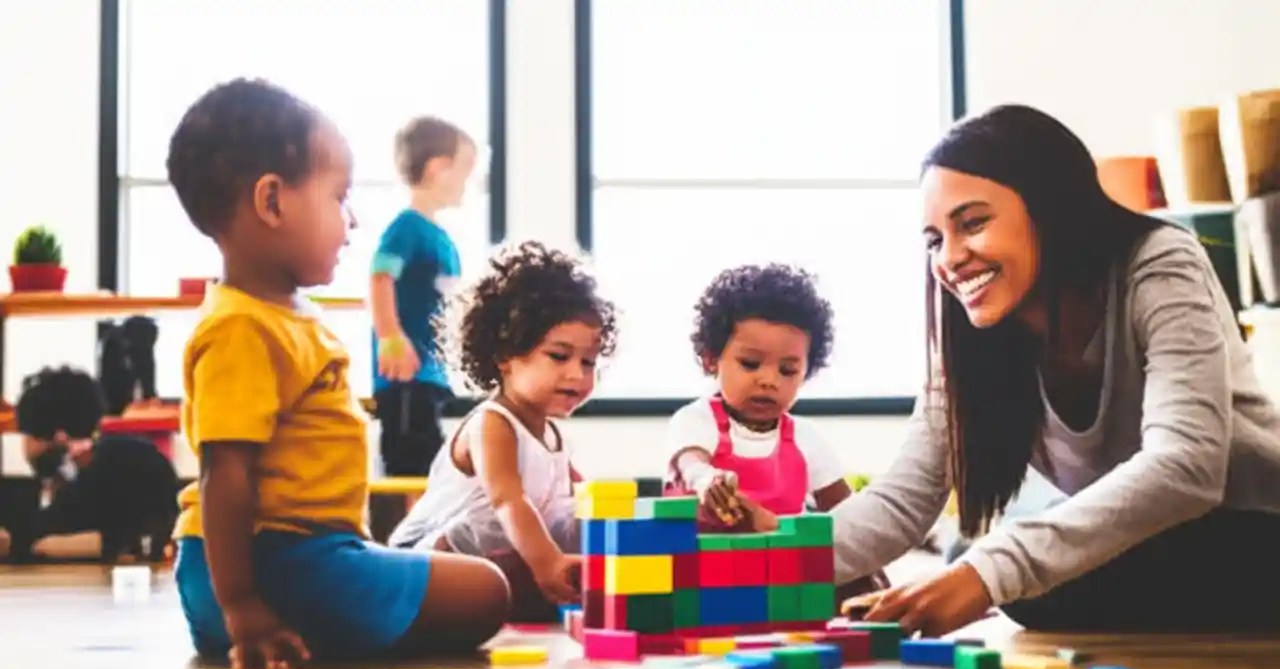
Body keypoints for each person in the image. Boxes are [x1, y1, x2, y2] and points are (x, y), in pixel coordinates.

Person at [831, 104, 1280, 635]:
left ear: (1047, 209)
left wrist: (990, 569)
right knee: (1025, 586)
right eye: (934, 240)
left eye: (972, 223)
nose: (949, 258)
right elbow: (902, 499)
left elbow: (1187, 466)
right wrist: (767, 558)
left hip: (1255, 534)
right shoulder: (974, 338)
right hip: (1152, 557)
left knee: (1009, 571)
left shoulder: (1159, 261)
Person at [165, 78, 509, 669]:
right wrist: (241, 604)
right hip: (272, 567)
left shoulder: (283, 316)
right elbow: (226, 471)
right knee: (488, 592)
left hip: (293, 559)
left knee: (465, 579)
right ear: (272, 202)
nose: (351, 222)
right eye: (338, 197)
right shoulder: (241, 327)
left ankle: (339, 608)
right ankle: (311, 621)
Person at [388, 240, 616, 621]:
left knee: (571, 513)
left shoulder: (555, 439)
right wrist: (547, 564)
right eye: (558, 356)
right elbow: (508, 501)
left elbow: (582, 502)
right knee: (511, 526)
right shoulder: (492, 424)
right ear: (504, 357)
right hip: (420, 563)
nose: (577, 374)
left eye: (589, 362)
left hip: (493, 561)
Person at [664, 264, 888, 601]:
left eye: (787, 370)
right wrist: (706, 481)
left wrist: (873, 572)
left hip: (780, 583)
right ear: (711, 359)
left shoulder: (806, 439)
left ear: (806, 371)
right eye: (750, 364)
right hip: (701, 580)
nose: (769, 380)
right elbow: (692, 463)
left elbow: (846, 514)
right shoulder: (695, 420)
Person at [370, 116, 477, 478]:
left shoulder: (439, 237)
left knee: (431, 462)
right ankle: (407, 535)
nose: (468, 182)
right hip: (405, 377)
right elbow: (380, 275)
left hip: (430, 376)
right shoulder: (407, 228)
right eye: (464, 170)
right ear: (437, 169)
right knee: (409, 466)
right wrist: (389, 335)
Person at [10, 366, 177, 563]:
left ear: (59, 435)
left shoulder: (103, 470)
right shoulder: (133, 456)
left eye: (27, 435)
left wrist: (24, 544)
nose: (25, 447)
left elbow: (47, 538)